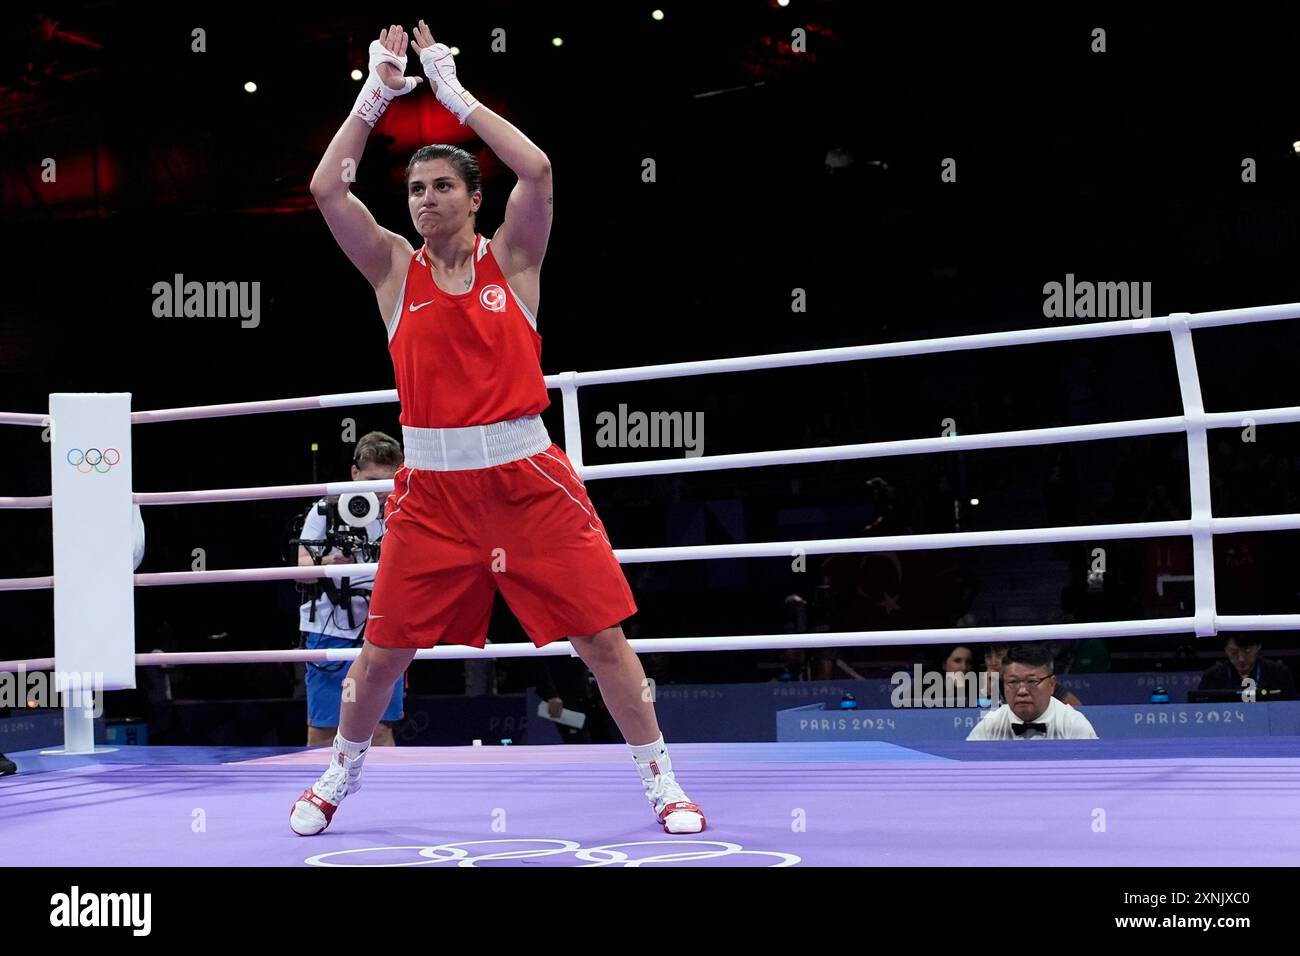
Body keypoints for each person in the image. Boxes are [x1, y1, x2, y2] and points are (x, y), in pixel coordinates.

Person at [290, 22, 703, 836]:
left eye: (443, 186)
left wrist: (454, 96)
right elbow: (328, 191)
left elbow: (539, 169)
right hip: (433, 491)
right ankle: (338, 774)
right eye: (416, 190)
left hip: (527, 479)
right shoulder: (391, 271)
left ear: (473, 198)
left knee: (603, 640)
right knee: (382, 654)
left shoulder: (512, 260)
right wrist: (375, 94)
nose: (426, 200)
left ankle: (662, 782)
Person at [296, 432, 405, 748]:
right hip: (330, 630)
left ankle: (388, 796)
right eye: (372, 480)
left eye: (388, 482)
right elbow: (301, 570)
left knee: (381, 728)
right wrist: (333, 560)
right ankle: (319, 795)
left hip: (385, 631)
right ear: (354, 473)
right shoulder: (325, 509)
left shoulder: (406, 509)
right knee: (324, 729)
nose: (380, 492)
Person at [967, 643, 1098, 740]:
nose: (1022, 691)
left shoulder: (1074, 724)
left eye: (1032, 681)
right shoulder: (990, 725)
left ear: (1052, 684)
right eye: (1013, 682)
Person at [1198, 636, 1296, 701]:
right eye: (1234, 652)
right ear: (1225, 650)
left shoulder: (1279, 672)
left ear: (1258, 646)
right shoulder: (1212, 676)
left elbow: (1292, 709)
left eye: (1247, 651)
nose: (1241, 659)